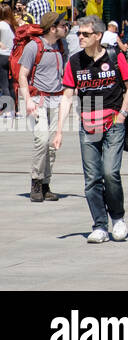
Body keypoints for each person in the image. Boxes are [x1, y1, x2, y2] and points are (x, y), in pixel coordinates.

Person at [52, 15, 128, 242]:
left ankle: (117, 218)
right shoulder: (75, 61)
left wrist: (122, 115)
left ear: (98, 36)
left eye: (85, 34)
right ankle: (100, 225)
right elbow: (68, 95)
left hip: (113, 121)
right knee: (91, 179)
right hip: (89, 122)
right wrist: (59, 130)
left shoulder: (114, 56)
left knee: (110, 173)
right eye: (78, 33)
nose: (80, 37)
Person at [17, 11, 71, 201]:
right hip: (38, 99)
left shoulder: (62, 46)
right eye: (63, 24)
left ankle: (46, 184)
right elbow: (22, 75)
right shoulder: (34, 46)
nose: (66, 26)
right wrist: (28, 100)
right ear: (52, 28)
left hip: (57, 99)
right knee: (41, 139)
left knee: (52, 145)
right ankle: (36, 182)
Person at [0, 3, 15, 117]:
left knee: (4, 84)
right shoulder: (12, 25)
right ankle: (14, 109)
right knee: (11, 85)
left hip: (2, 56)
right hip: (11, 56)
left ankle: (8, 110)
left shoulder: (1, 25)